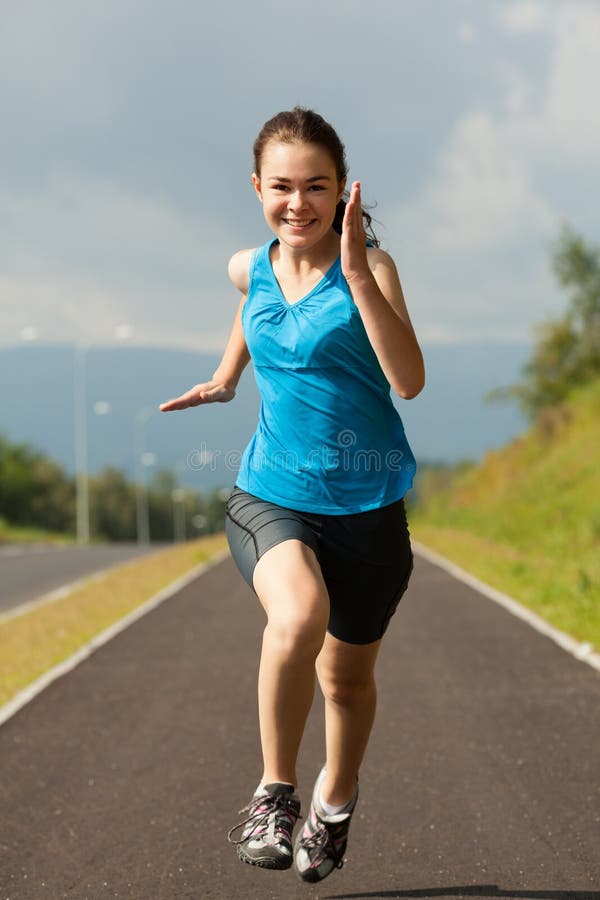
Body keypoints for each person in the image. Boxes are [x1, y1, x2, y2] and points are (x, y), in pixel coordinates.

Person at [160, 106, 425, 884]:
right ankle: (274, 793)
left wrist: (356, 275)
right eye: (281, 187)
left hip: (369, 510)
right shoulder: (247, 265)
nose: (297, 203)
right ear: (257, 188)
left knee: (346, 680)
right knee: (299, 614)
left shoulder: (373, 270)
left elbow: (409, 381)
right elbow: (251, 300)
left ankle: (334, 801)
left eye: (316, 186)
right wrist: (226, 376)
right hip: (270, 494)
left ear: (342, 191)